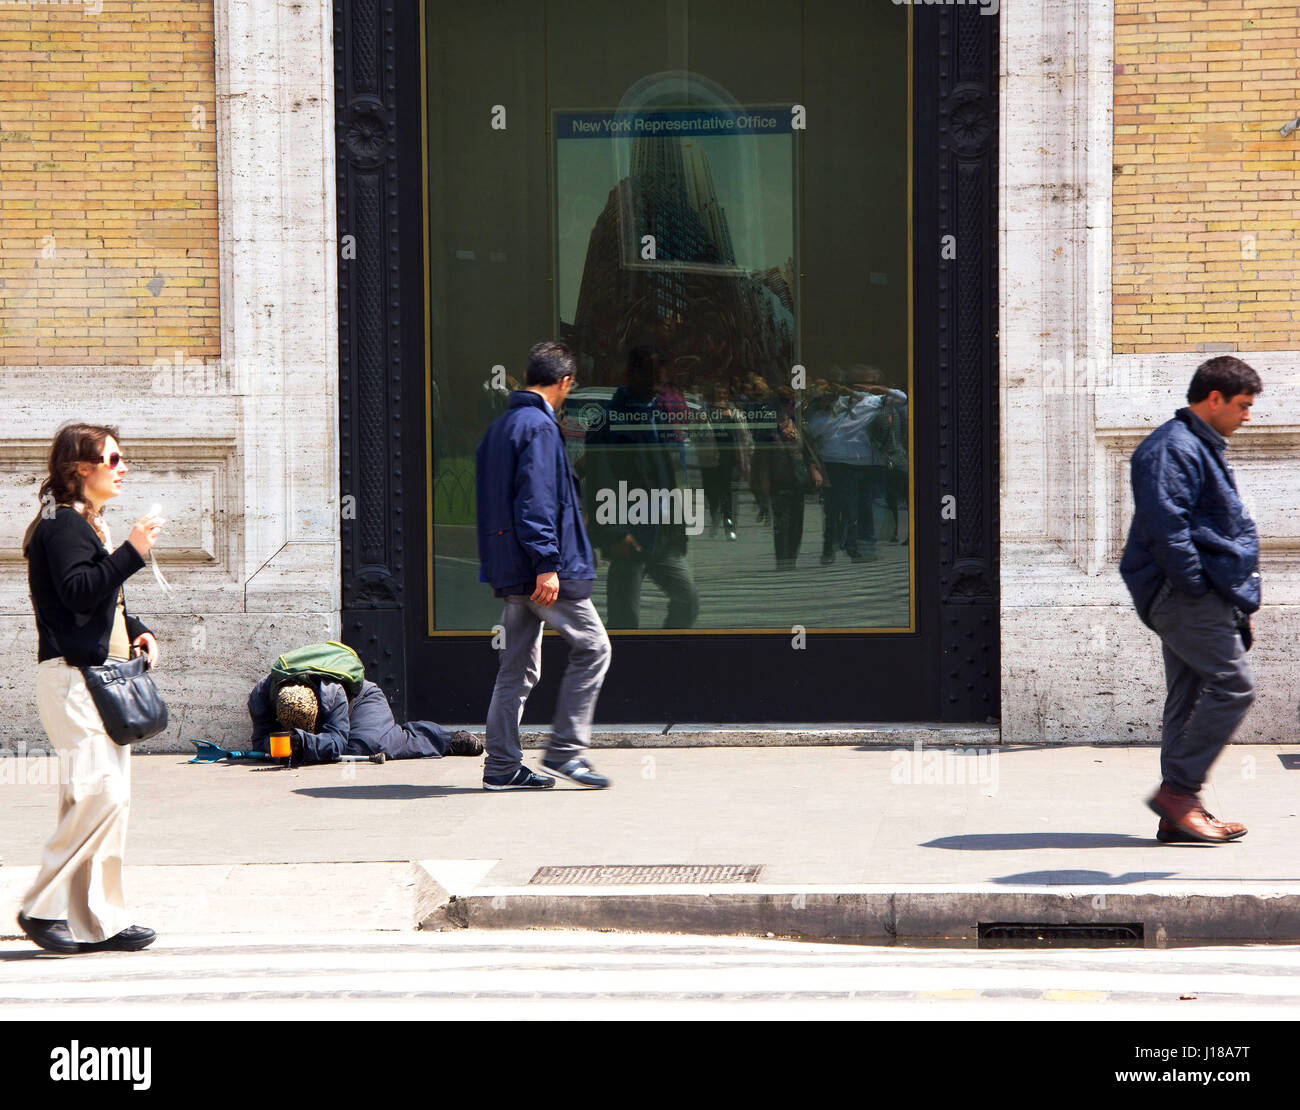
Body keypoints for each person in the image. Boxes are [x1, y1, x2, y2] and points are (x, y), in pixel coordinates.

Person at [17, 422, 162, 954]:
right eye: (114, 459)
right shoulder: (61, 527)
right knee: (102, 792)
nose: (123, 468)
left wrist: (138, 627)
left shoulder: (86, 525)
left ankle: (97, 920)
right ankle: (40, 907)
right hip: (72, 680)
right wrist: (133, 551)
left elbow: (102, 598)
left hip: (102, 680)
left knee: (104, 800)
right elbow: (78, 593)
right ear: (82, 468)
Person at [1119, 356, 1262, 843]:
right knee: (1233, 685)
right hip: (1184, 592)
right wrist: (1196, 586)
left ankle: (1178, 817)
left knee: (1191, 694)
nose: (1248, 416)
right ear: (1214, 398)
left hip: (1198, 591)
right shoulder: (1172, 448)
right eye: (1242, 406)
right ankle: (1178, 793)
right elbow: (1166, 527)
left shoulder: (1197, 444)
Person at [475, 340, 612, 790]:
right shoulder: (538, 426)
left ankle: (500, 767)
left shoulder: (501, 426)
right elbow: (533, 501)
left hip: (512, 568)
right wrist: (547, 564)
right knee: (594, 647)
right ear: (565, 381)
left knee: (516, 670)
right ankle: (566, 752)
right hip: (540, 572)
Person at [584, 346, 700, 629]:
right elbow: (600, 478)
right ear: (630, 374)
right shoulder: (609, 420)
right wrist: (614, 533)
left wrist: (677, 522)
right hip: (630, 536)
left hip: (662, 534)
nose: (656, 383)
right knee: (625, 621)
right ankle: (620, 670)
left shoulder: (654, 415)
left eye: (660, 378)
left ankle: (666, 661)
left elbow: (667, 474)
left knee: (688, 601)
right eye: (649, 376)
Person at [246, 671, 484, 764]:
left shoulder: (331, 694)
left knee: (361, 747)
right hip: (329, 715)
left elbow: (337, 740)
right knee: (334, 752)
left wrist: (305, 742)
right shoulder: (260, 696)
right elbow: (259, 743)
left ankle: (441, 739)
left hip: (359, 702)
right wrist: (279, 744)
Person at [750, 387, 825, 570]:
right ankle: (783, 563)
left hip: (798, 481)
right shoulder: (767, 428)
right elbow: (760, 458)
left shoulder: (797, 425)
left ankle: (791, 559)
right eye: (786, 402)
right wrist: (762, 484)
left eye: (791, 403)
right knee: (782, 524)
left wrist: (814, 470)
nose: (789, 406)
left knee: (796, 524)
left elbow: (809, 452)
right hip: (778, 482)